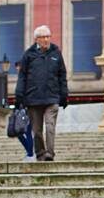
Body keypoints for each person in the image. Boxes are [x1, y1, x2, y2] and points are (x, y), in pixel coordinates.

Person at [14, 25, 68, 162]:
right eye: (43, 37)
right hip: (33, 98)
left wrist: (64, 95)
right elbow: (22, 77)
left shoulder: (56, 53)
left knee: (50, 126)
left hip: (52, 97)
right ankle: (40, 153)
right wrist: (19, 96)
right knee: (37, 130)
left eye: (48, 36)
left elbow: (62, 75)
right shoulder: (28, 55)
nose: (46, 39)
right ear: (36, 39)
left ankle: (50, 153)